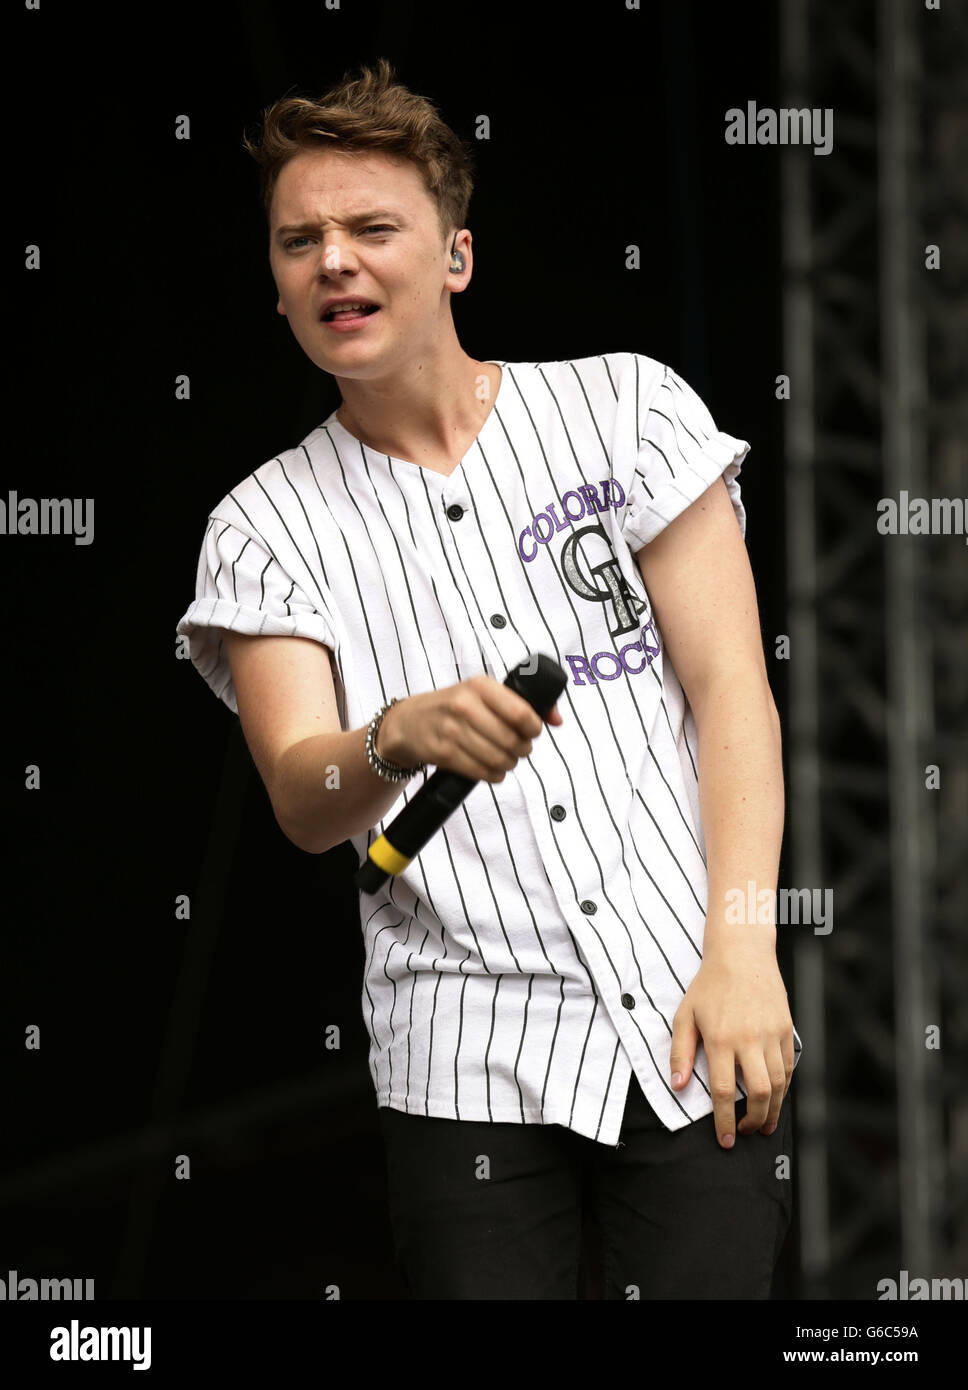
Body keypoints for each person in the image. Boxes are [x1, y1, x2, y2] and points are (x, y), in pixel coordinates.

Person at [175, 57, 802, 1300]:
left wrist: (744, 951)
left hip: (686, 1018)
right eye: (299, 240)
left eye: (370, 228)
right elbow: (306, 803)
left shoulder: (623, 408)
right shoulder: (259, 526)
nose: (333, 261)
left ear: (455, 257)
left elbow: (734, 689)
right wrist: (396, 735)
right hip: (459, 1069)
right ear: (277, 287)